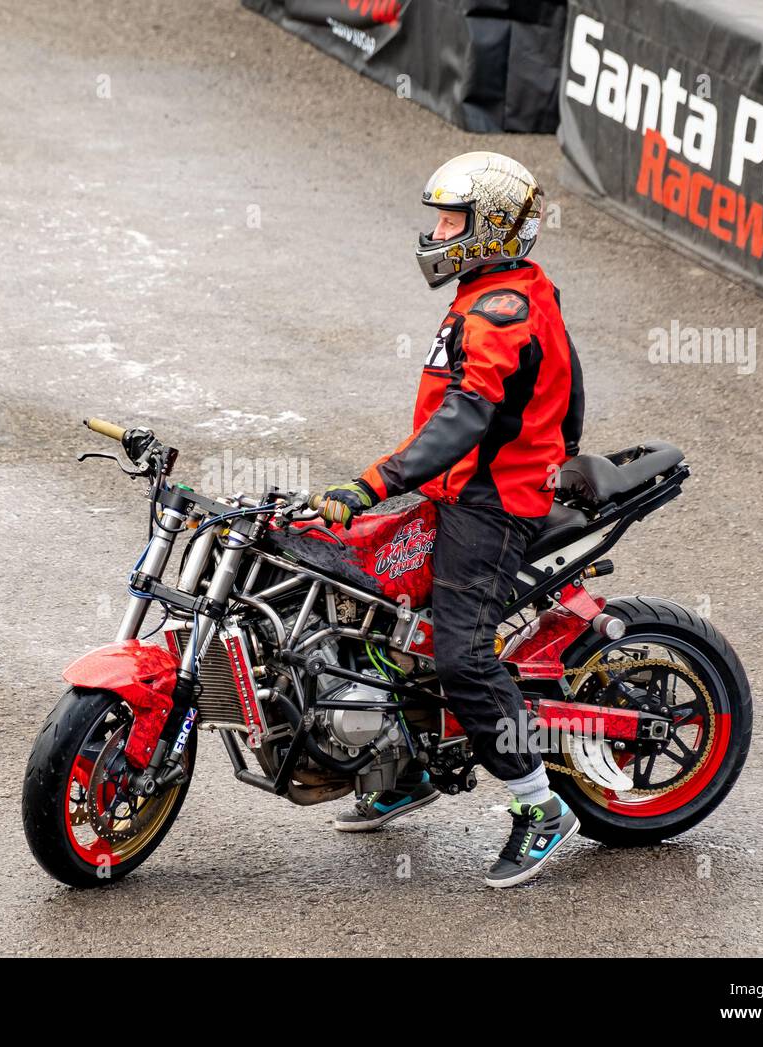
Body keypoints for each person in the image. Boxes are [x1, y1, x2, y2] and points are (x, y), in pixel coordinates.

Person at [319, 152, 586, 889]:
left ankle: (539, 805)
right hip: (463, 486)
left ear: (491, 226)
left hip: (494, 504)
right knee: (382, 606)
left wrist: (375, 481)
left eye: (451, 219)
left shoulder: (502, 309)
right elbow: (571, 376)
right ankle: (409, 765)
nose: (437, 231)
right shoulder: (505, 287)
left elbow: (466, 415)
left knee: (461, 653)